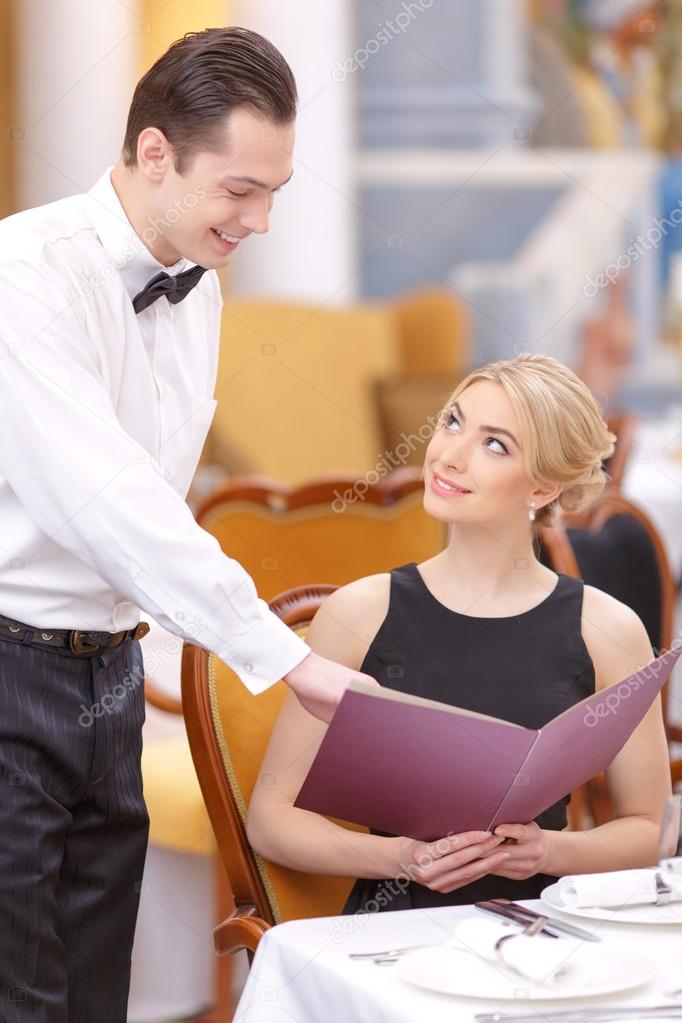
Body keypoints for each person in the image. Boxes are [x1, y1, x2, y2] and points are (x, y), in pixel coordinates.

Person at [0, 27, 374, 1022]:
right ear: (155, 151)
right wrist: (282, 657)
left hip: (110, 674)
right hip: (10, 673)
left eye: (274, 195)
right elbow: (106, 499)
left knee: (94, 990)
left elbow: (160, 504)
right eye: (238, 190)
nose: (256, 221)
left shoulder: (197, 288)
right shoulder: (24, 275)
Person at [247, 354, 672, 914]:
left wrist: (548, 851)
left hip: (542, 937)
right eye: (452, 422)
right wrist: (402, 860)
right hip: (390, 935)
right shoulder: (358, 613)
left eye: (494, 444)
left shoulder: (608, 630)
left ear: (542, 489)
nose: (448, 455)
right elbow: (270, 821)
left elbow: (650, 830)